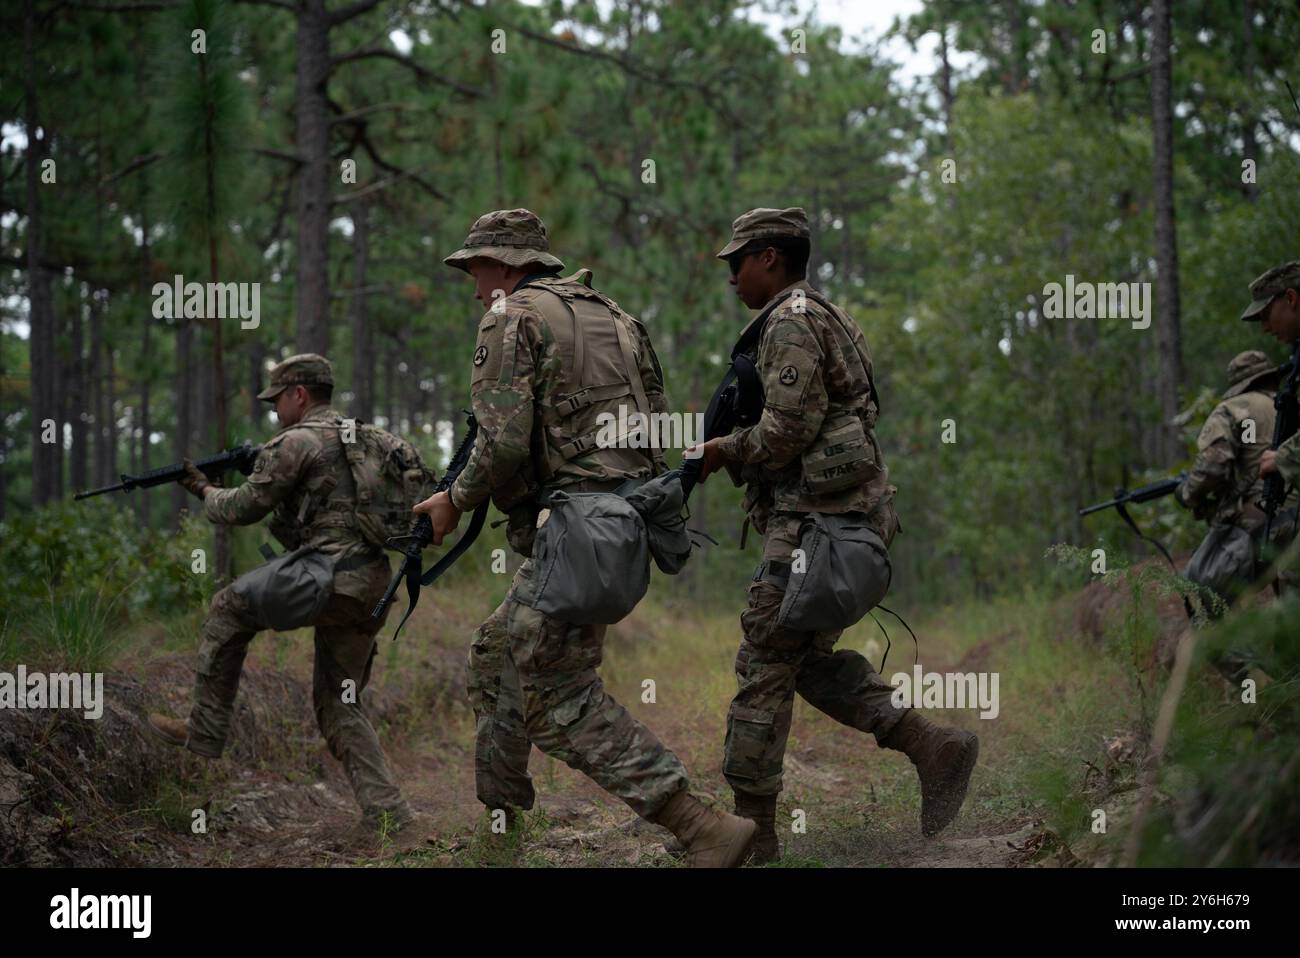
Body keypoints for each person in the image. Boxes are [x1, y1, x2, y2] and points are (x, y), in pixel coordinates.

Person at [414, 208, 755, 867]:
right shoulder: (615, 317)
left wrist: (453, 501)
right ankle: (500, 828)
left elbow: (503, 440)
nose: (474, 284)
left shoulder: (511, 315)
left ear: (506, 265)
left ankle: (701, 824)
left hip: (575, 530)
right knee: (494, 655)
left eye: (476, 268)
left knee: (552, 692)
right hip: (619, 523)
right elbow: (656, 429)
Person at [689, 207, 978, 863]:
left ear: (770, 257)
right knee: (803, 662)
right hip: (843, 522)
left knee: (763, 662)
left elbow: (787, 429)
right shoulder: (828, 316)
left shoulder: (791, 323)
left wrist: (724, 451)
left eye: (738, 261)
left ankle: (751, 839)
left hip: (813, 529)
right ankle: (933, 745)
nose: (731, 275)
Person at [148, 354, 414, 835]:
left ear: (299, 395)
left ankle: (204, 732)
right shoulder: (370, 439)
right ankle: (389, 812)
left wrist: (205, 490)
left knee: (228, 607)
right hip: (374, 583)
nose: (274, 412)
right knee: (340, 703)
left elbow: (242, 509)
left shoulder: (296, 441)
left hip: (326, 576)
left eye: (277, 401)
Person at [1176, 350, 1285, 606]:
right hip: (1294, 518)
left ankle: (1225, 645)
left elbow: (1214, 463)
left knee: (1203, 597)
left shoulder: (1234, 408)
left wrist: (1187, 493)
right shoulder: (1289, 404)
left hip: (1261, 520)